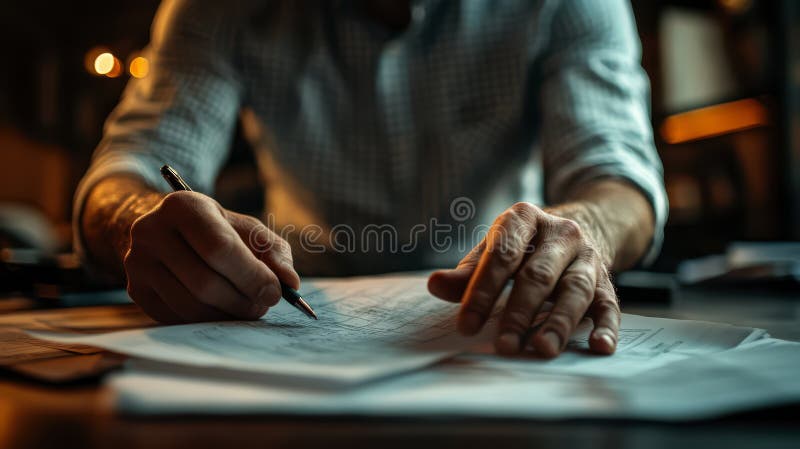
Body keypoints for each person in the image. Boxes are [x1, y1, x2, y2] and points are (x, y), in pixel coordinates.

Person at [75, 0, 667, 359]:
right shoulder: (221, 7)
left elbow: (619, 181)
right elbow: (132, 165)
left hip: (493, 318)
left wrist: (583, 228)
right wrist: (136, 223)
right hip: (280, 320)